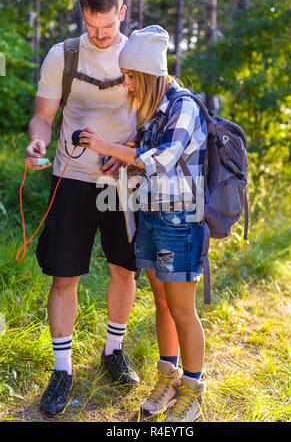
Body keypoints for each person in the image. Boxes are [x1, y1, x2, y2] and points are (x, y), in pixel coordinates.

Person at [79, 25, 207, 422]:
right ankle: (168, 378)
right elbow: (144, 149)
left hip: (180, 221)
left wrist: (105, 146)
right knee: (163, 304)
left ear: (148, 74)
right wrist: (123, 154)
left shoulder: (183, 105)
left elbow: (163, 158)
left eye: (131, 77)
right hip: (150, 217)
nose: (127, 85)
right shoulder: (154, 109)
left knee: (183, 308)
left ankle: (193, 389)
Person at [26, 0, 140, 416]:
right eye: (92, 26)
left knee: (123, 269)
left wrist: (127, 152)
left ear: (122, 13)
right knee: (65, 275)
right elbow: (42, 116)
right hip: (71, 178)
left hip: (120, 180)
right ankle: (62, 369)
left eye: (107, 27)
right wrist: (37, 139)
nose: (99, 35)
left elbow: (154, 123)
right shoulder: (63, 56)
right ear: (83, 15)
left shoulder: (139, 57)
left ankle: (113, 351)